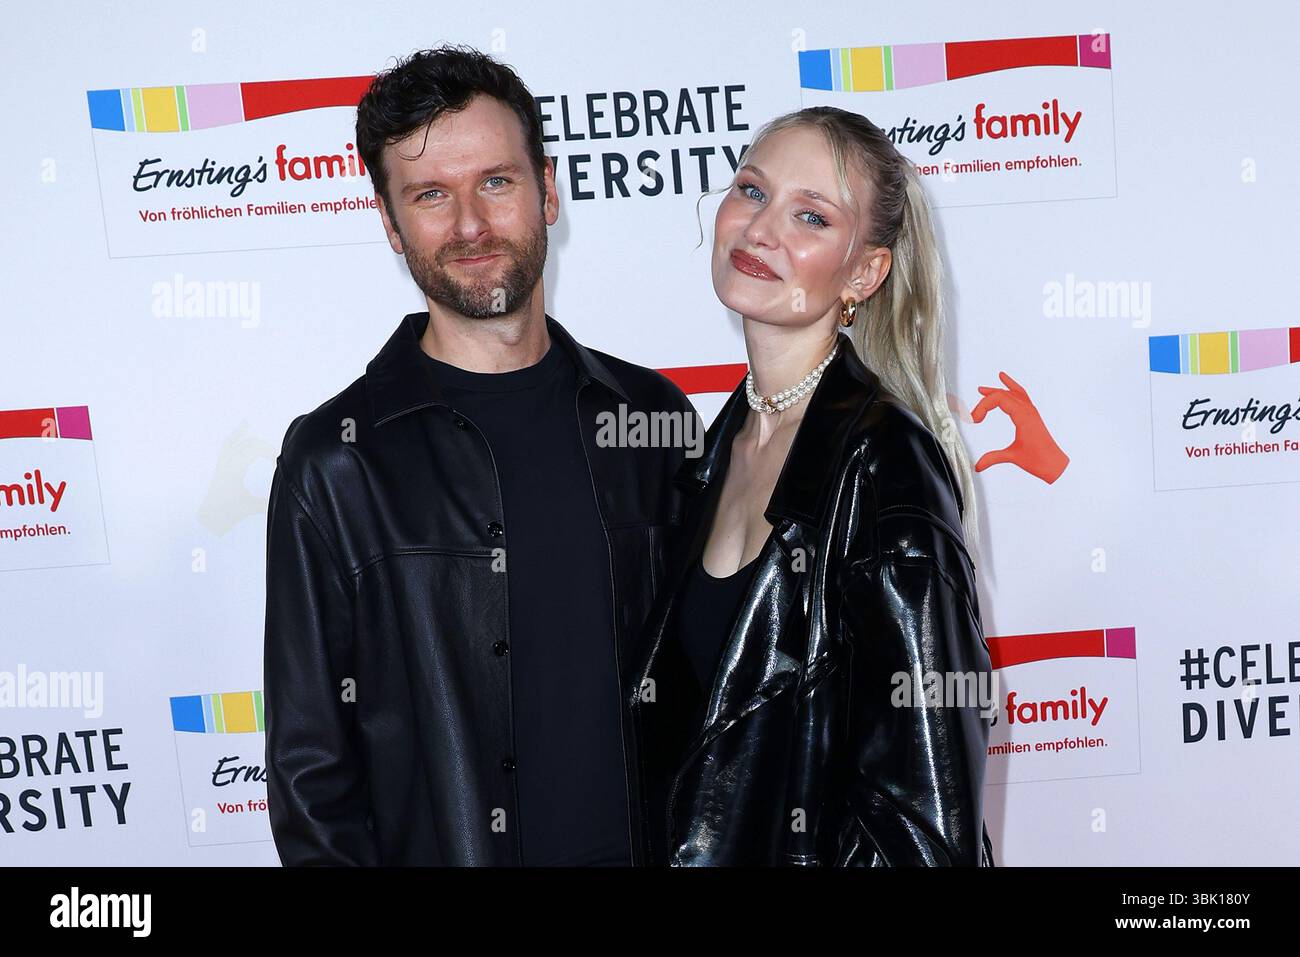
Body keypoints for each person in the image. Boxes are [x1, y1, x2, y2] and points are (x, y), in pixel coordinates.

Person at [263, 44, 698, 866]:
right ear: (391, 224)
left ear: (549, 188)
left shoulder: (651, 417)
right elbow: (311, 771)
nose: (469, 225)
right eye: (432, 194)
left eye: (496, 182)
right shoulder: (334, 463)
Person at [627, 106, 996, 866]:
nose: (761, 231)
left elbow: (928, 820)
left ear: (864, 271)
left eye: (812, 216)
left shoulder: (888, 464)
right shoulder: (712, 452)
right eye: (753, 191)